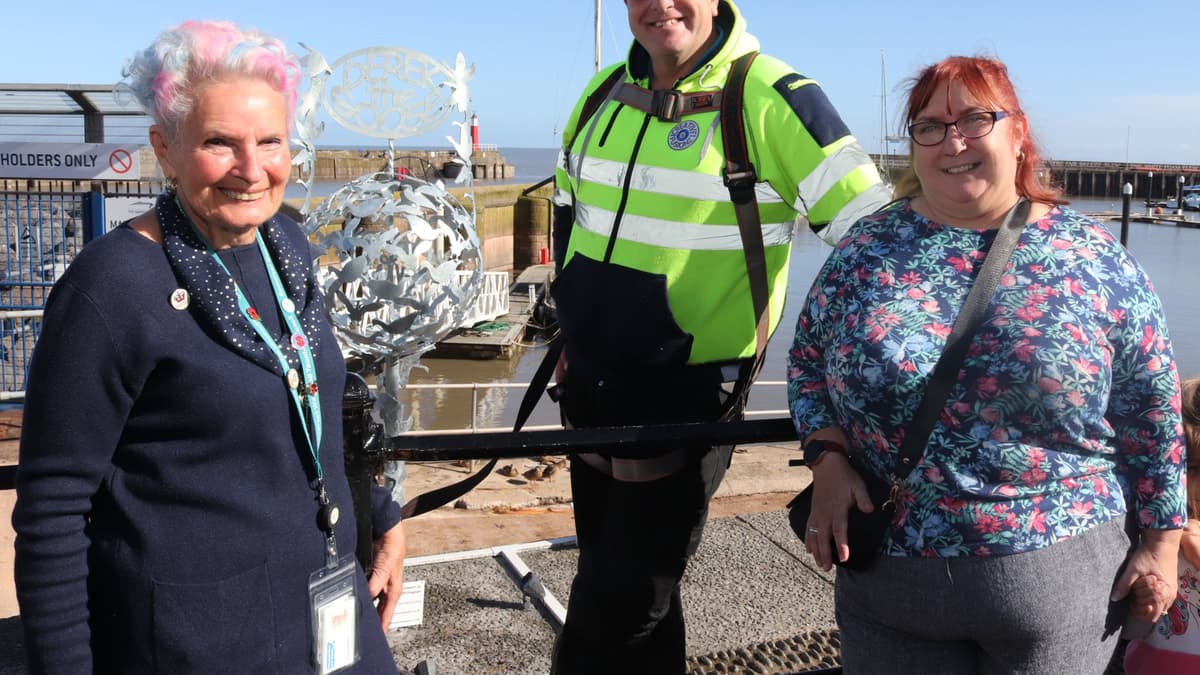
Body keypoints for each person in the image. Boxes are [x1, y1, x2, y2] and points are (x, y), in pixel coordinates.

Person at [13, 20, 406, 673]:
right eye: (220, 143)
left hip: (329, 611)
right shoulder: (111, 287)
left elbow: (309, 395)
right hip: (197, 641)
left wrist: (382, 510)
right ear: (164, 150)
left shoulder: (286, 244)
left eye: (271, 141)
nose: (252, 169)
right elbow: (53, 510)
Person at [786, 54, 1187, 674]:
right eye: (931, 126)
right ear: (914, 144)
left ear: (1018, 133)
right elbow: (808, 361)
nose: (954, 142)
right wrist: (827, 457)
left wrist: (1162, 543)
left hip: (1059, 584)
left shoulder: (1095, 257)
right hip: (890, 583)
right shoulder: (866, 249)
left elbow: (1153, 411)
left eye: (975, 119)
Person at [548, 1, 891, 672]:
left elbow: (879, 250)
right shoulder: (601, 94)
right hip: (588, 384)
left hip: (689, 397)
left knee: (619, 605)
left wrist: (846, 419)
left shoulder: (770, 96)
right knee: (630, 591)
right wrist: (569, 327)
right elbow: (570, 210)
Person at [1124, 376, 1200, 673]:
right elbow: (1129, 629)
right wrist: (1141, 604)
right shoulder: (1149, 530)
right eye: (1179, 467)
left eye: (1189, 468)